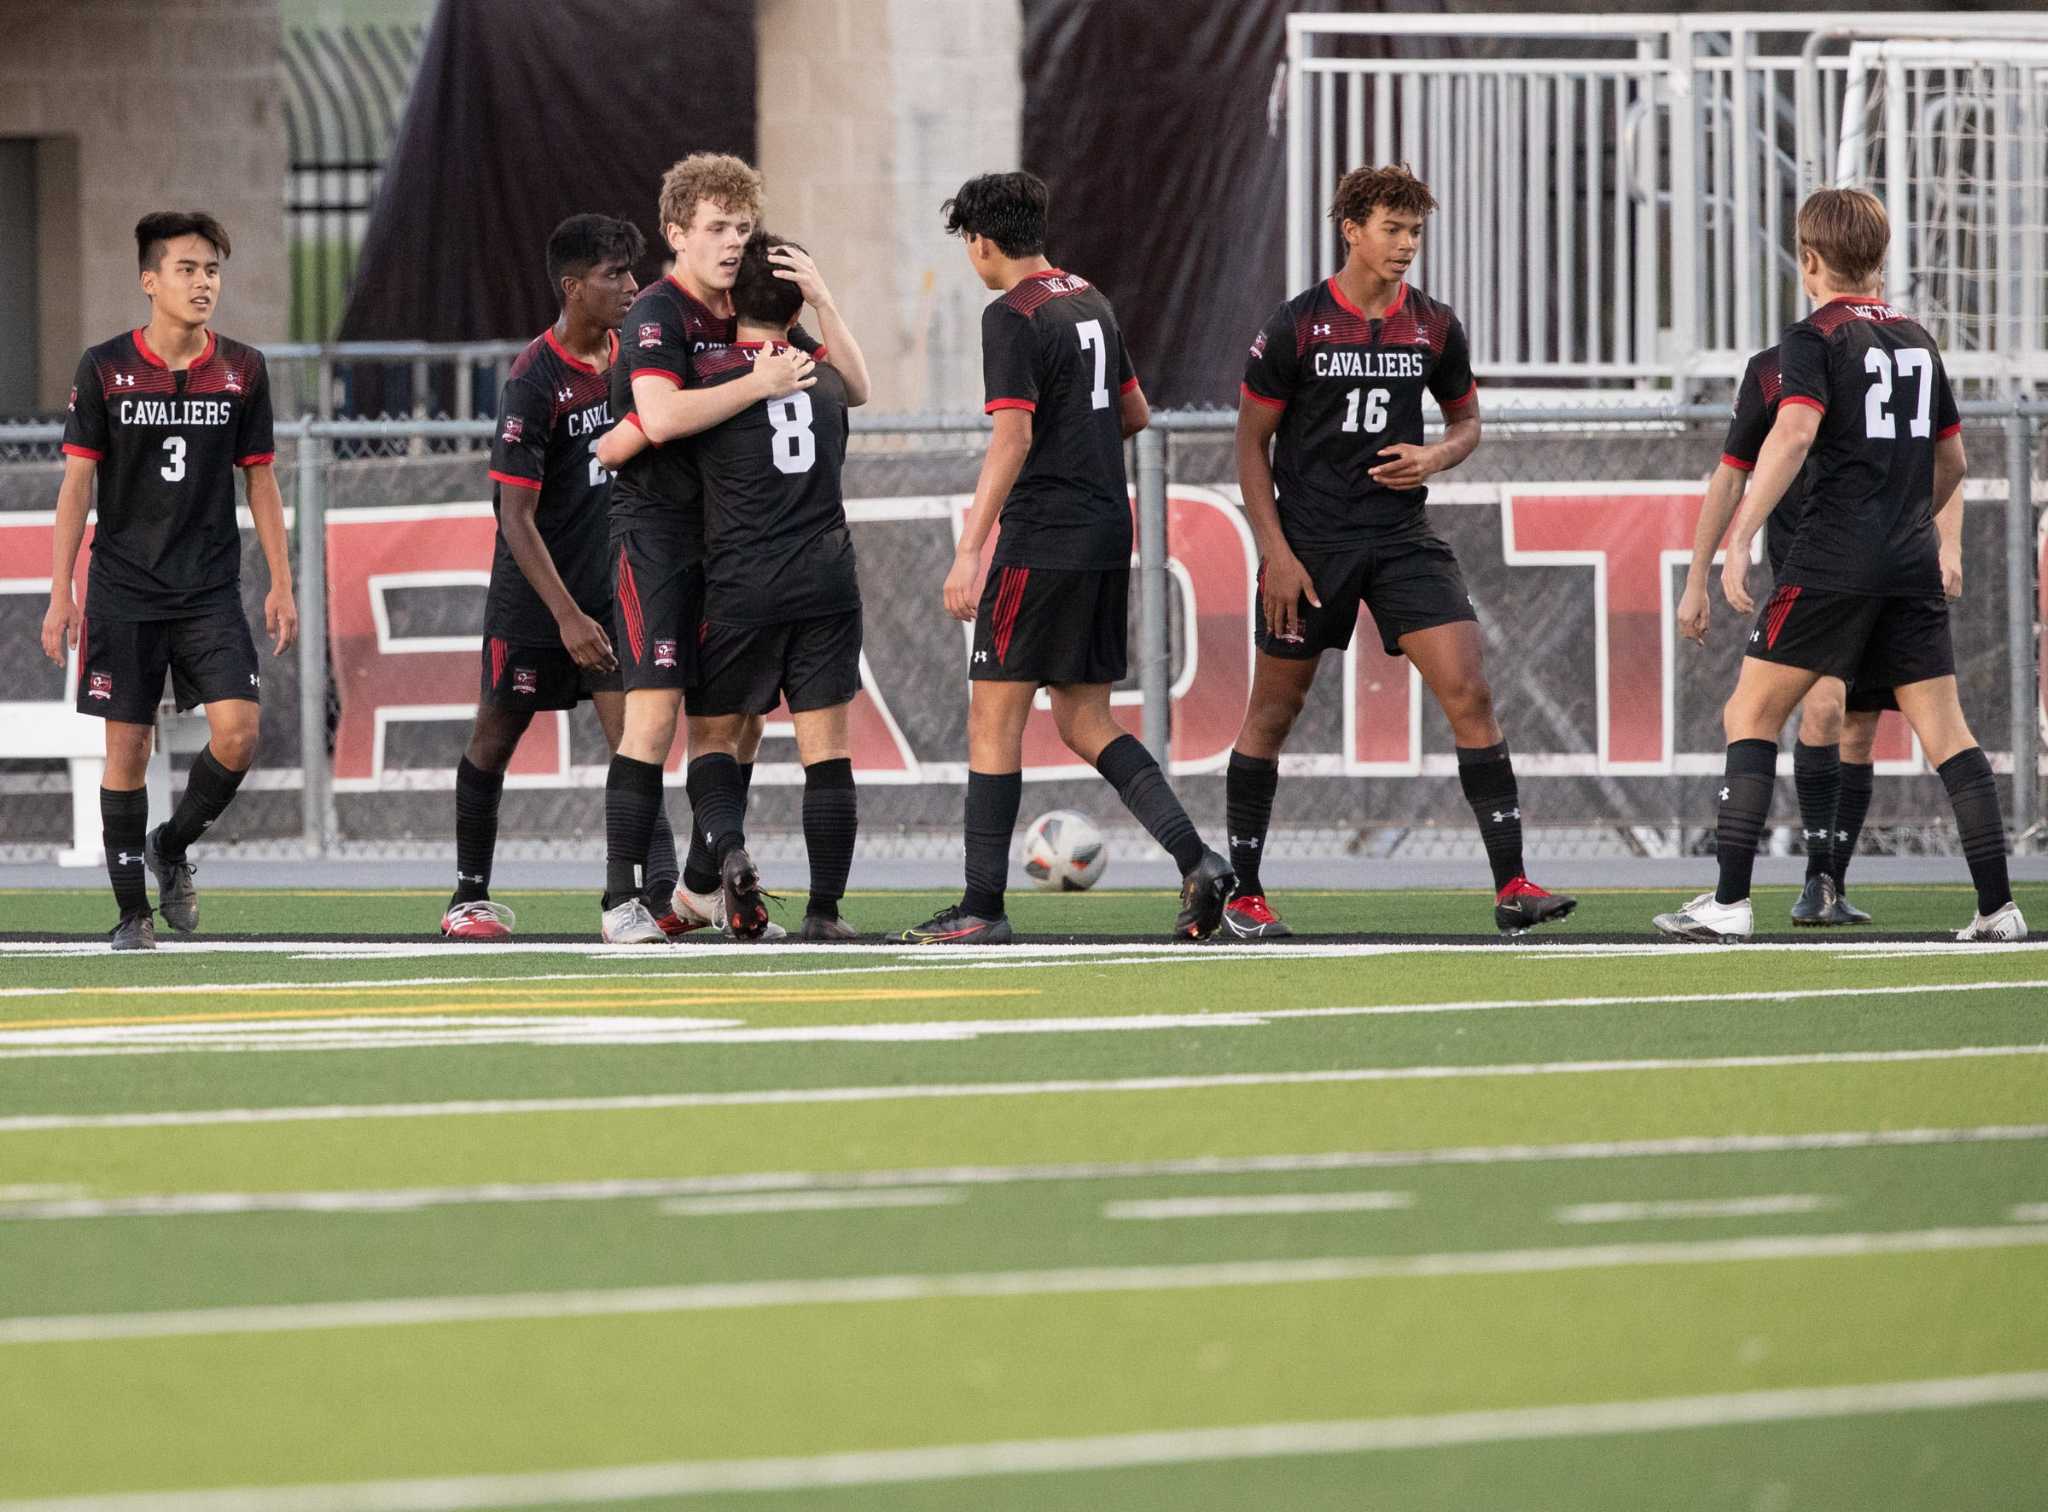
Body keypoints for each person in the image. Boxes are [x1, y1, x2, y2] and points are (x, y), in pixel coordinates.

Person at [1655, 188, 2021, 943]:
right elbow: (1954, 459)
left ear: (1809, 259)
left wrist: (1739, 538)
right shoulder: (1919, 338)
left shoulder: (1812, 337)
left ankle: (1727, 903)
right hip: (1909, 562)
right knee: (1948, 733)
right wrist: (1913, 518)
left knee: (1748, 714)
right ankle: (1997, 907)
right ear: (1881, 259)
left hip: (1830, 562)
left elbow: (1791, 437)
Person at [1226, 164, 1574, 939]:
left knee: (1470, 691)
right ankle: (1243, 892)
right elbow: (1250, 445)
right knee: (1274, 713)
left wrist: (1435, 458)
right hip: (1310, 546)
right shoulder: (1298, 324)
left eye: (1415, 230)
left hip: (1401, 538)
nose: (1407, 245)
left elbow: (1466, 424)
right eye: (1392, 228)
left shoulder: (1434, 325)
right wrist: (1275, 553)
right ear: (1351, 230)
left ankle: (1512, 883)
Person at [899, 171, 1233, 945]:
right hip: (1103, 532)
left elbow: (1012, 436)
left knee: (993, 719)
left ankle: (982, 907)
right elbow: (1135, 413)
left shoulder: (1012, 315)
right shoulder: (1090, 297)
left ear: (980, 243)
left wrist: (970, 550)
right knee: (1085, 719)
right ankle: (1199, 859)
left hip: (1041, 537)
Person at [41, 211, 296, 951]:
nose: (202, 282)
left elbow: (263, 482)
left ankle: (172, 844)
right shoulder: (105, 367)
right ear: (149, 280)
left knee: (240, 733)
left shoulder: (243, 369)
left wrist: (282, 583)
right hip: (125, 588)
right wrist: (62, 589)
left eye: (211, 269)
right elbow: (76, 485)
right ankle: (131, 915)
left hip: (209, 587)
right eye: (186, 269)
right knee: (129, 750)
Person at [607, 232, 870, 940]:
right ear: (798, 307)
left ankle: (730, 852)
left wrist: (614, 441)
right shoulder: (825, 378)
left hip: (743, 583)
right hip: (827, 579)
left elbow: (628, 441)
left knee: (714, 739)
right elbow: (861, 386)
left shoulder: (709, 375)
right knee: (828, 749)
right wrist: (823, 301)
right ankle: (825, 913)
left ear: (730, 300)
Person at [440, 214, 688, 939]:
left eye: (632, 272)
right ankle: (467, 897)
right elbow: (513, 516)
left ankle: (657, 894)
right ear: (573, 288)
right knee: (494, 736)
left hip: (613, 592)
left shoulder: (632, 363)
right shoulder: (533, 378)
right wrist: (565, 619)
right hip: (536, 599)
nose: (632, 287)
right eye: (615, 275)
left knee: (635, 739)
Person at [591, 153, 812, 943]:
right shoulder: (657, 312)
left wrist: (818, 299)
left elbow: (842, 386)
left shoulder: (750, 308)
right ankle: (621, 898)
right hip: (655, 540)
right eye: (716, 227)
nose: (731, 243)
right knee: (650, 719)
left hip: (735, 548)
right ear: (677, 233)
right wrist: (757, 384)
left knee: (737, 724)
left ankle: (699, 886)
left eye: (742, 227)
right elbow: (657, 418)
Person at [1680, 349, 1968, 927]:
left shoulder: (1894, 360)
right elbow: (1732, 473)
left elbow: (1937, 457)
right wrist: (1699, 576)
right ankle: (1766, 887)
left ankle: (1826, 881)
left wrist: (1950, 542)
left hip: (1878, 570)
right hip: (1813, 570)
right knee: (1822, 708)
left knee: (1858, 730)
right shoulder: (1774, 371)